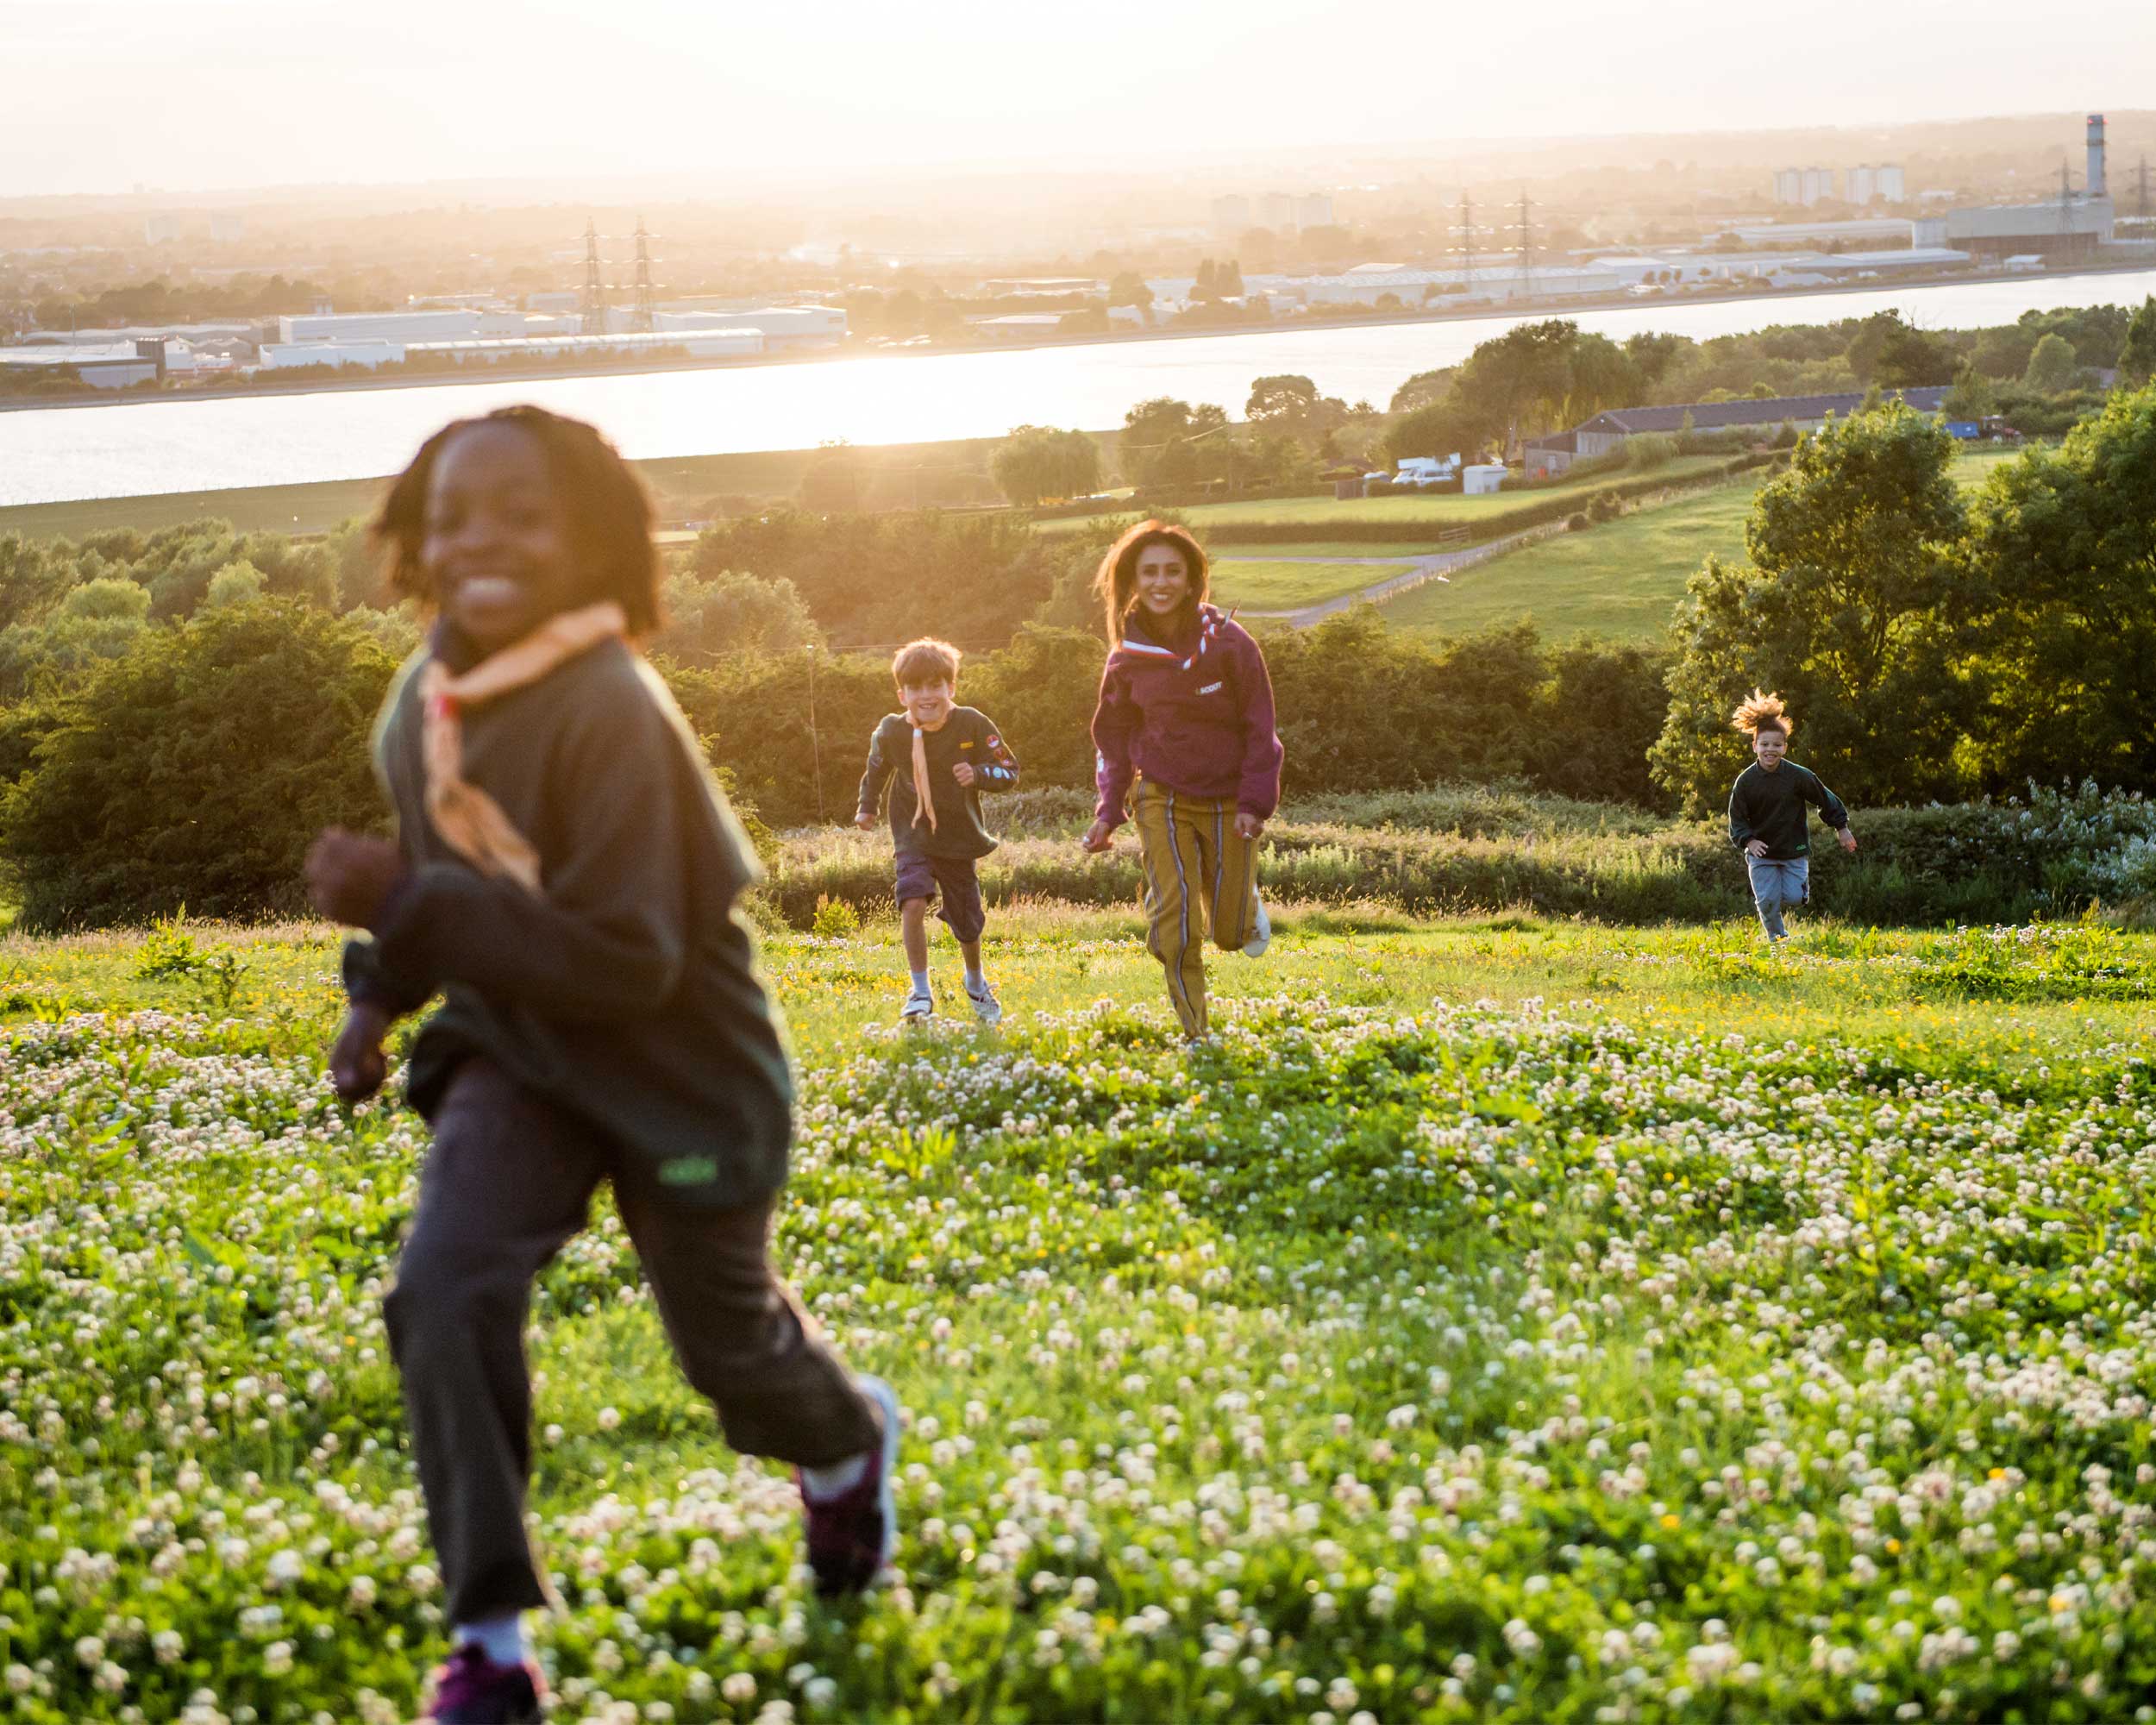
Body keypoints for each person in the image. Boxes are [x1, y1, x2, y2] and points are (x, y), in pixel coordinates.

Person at [304, 405, 899, 1725]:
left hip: (679, 1064)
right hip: (515, 1052)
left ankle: (848, 1444)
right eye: (455, 518)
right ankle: (492, 1646)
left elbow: (627, 958)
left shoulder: (610, 705)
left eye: (525, 516)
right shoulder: (428, 698)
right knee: (444, 1287)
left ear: (594, 540)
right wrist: (375, 1003)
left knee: (729, 1356)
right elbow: (442, 881)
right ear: (415, 538)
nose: (483, 544)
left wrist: (406, 911)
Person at [1081, 520, 1282, 1041]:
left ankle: (1242, 908)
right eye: (1149, 572)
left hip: (1228, 798)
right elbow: (1113, 739)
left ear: (1193, 579)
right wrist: (1108, 812)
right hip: (1160, 794)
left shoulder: (1231, 644)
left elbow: (1261, 728)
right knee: (1175, 920)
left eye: (1173, 571)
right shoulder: (1127, 658)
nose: (1161, 582)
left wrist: (1255, 803)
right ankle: (1197, 1034)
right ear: (1132, 580)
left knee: (1231, 936)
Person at [854, 637, 1020, 1025]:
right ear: (902, 694)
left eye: (935, 685)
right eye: (915, 688)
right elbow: (875, 768)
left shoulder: (972, 724)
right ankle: (920, 991)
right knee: (912, 899)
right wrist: (867, 807)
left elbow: (1010, 769)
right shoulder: (892, 731)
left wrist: (978, 774)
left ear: (951, 688)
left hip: (959, 837)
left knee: (967, 921)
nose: (926, 695)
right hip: (912, 834)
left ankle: (975, 982)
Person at [1727, 689, 1856, 946]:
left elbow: (1824, 797)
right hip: (1761, 854)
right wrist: (1748, 840)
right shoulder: (1746, 782)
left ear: (1785, 747)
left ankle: (1801, 892)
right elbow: (1736, 817)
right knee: (1766, 901)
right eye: (1764, 745)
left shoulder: (1798, 776)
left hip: (1793, 850)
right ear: (1755, 746)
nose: (1770, 750)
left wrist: (1842, 828)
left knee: (1794, 898)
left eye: (1776, 745)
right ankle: (1778, 940)